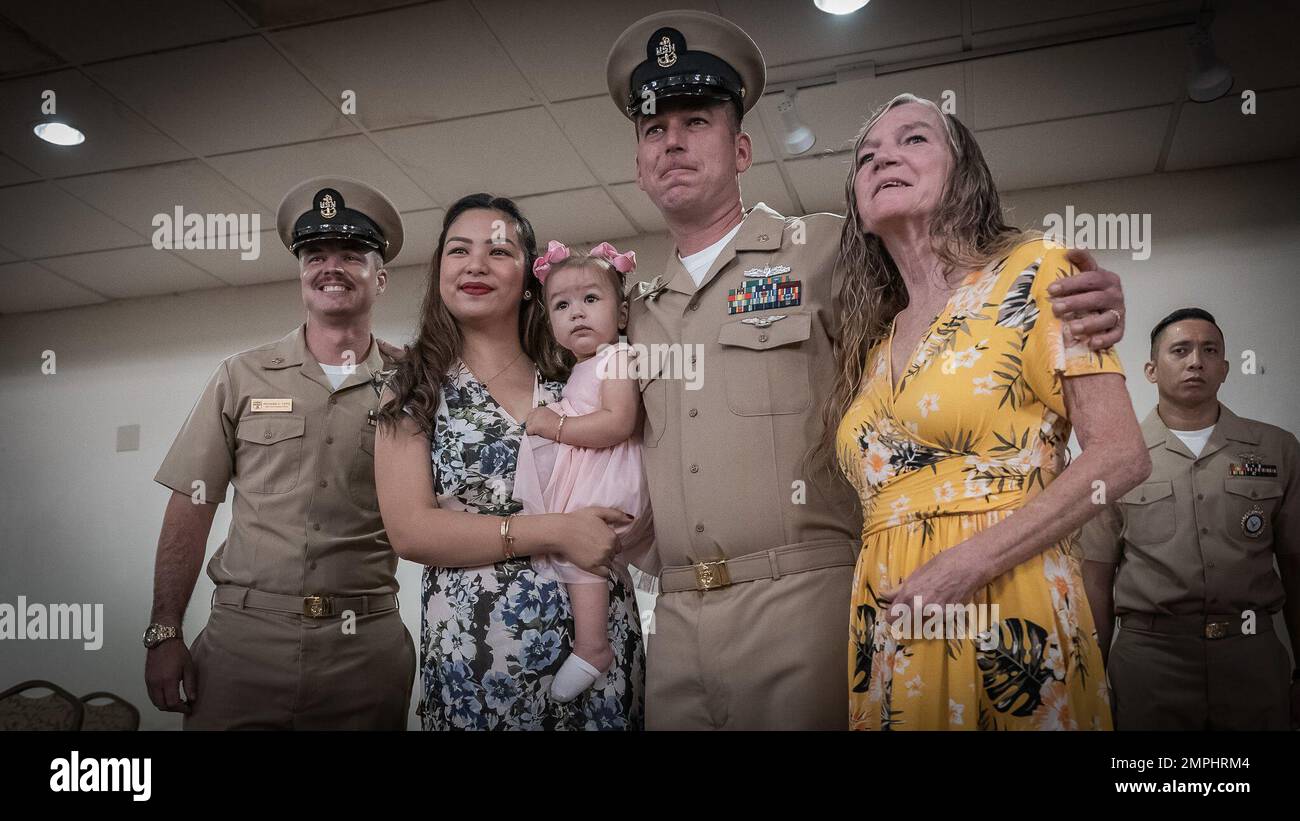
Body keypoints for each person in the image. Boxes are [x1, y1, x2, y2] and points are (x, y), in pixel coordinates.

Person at [605, 10, 1130, 729]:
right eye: (654, 131)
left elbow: (968, 274)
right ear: (636, 163)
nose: (672, 143)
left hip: (819, 601)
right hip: (693, 612)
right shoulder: (631, 309)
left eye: (696, 122)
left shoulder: (823, 250)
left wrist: (1094, 302)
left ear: (742, 148)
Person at [826, 93, 1150, 730]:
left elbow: (1122, 456)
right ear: (859, 210)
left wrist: (965, 565)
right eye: (866, 156)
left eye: (914, 140)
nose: (883, 156)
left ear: (964, 176)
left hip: (1004, 597)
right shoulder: (875, 342)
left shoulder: (1039, 274)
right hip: (889, 612)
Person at [145, 176, 414, 729]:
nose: (330, 266)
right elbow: (190, 509)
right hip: (245, 646)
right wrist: (164, 630)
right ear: (301, 274)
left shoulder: (414, 384)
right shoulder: (240, 377)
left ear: (380, 277)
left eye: (350, 254)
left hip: (365, 646)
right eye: (315, 254)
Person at [373, 194, 644, 730]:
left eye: (498, 251)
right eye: (458, 251)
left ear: (529, 281)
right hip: (480, 654)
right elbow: (411, 532)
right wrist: (557, 531)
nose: (475, 265)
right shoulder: (412, 391)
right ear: (440, 273)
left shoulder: (577, 373)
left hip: (599, 643)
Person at [1080, 308, 1300, 730]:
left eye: (1209, 350)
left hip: (1252, 657)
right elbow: (1096, 578)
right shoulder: (1113, 460)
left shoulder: (1277, 449)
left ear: (1225, 368)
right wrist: (1091, 683)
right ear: (1150, 369)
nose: (1196, 360)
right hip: (1149, 662)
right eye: (1180, 350)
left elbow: (1297, 566)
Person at [512, 240, 655, 703]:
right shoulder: (581, 367)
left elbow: (618, 422)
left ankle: (594, 648)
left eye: (591, 299)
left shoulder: (617, 358)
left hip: (612, 479)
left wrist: (556, 426)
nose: (577, 312)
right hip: (592, 474)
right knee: (571, 549)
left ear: (621, 314)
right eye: (562, 304)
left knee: (581, 550)